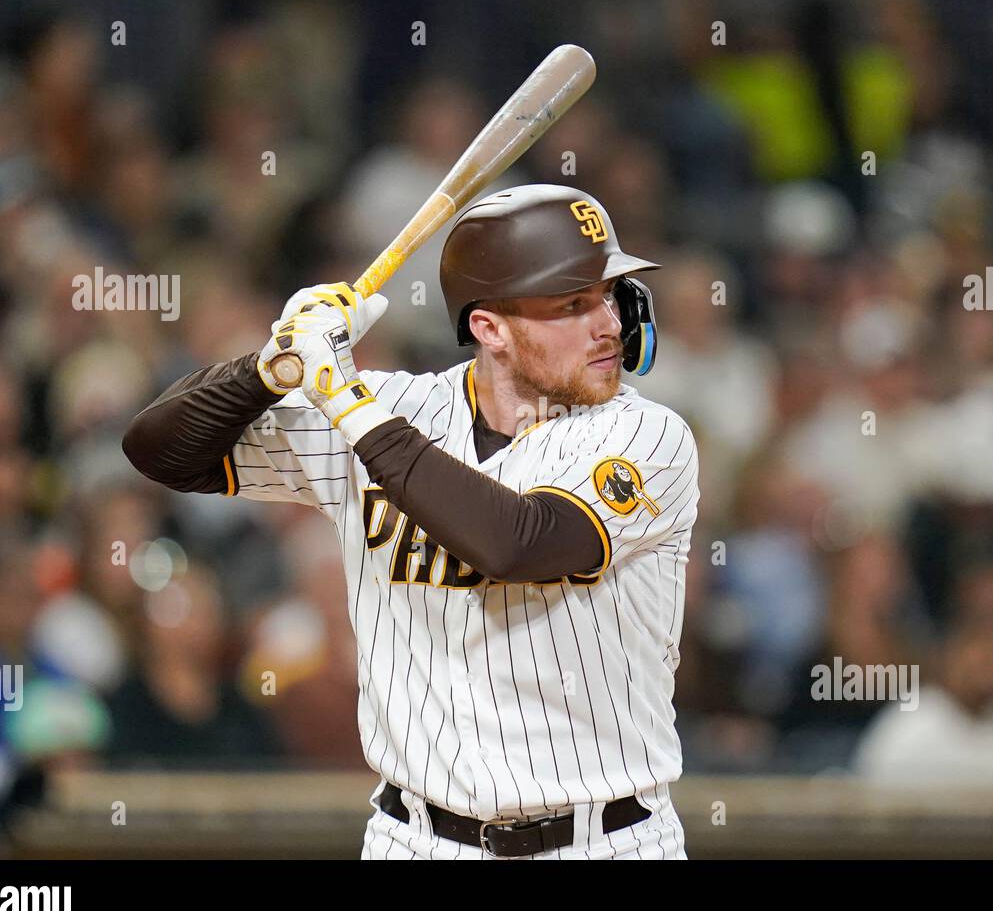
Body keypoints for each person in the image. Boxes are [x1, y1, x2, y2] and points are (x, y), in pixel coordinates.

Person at [123, 184, 699, 859]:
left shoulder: (645, 436)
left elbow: (516, 542)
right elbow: (160, 450)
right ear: (490, 328)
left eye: (608, 295)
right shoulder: (397, 408)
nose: (608, 323)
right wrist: (270, 366)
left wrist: (347, 399)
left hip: (601, 840)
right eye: (573, 304)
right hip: (416, 837)